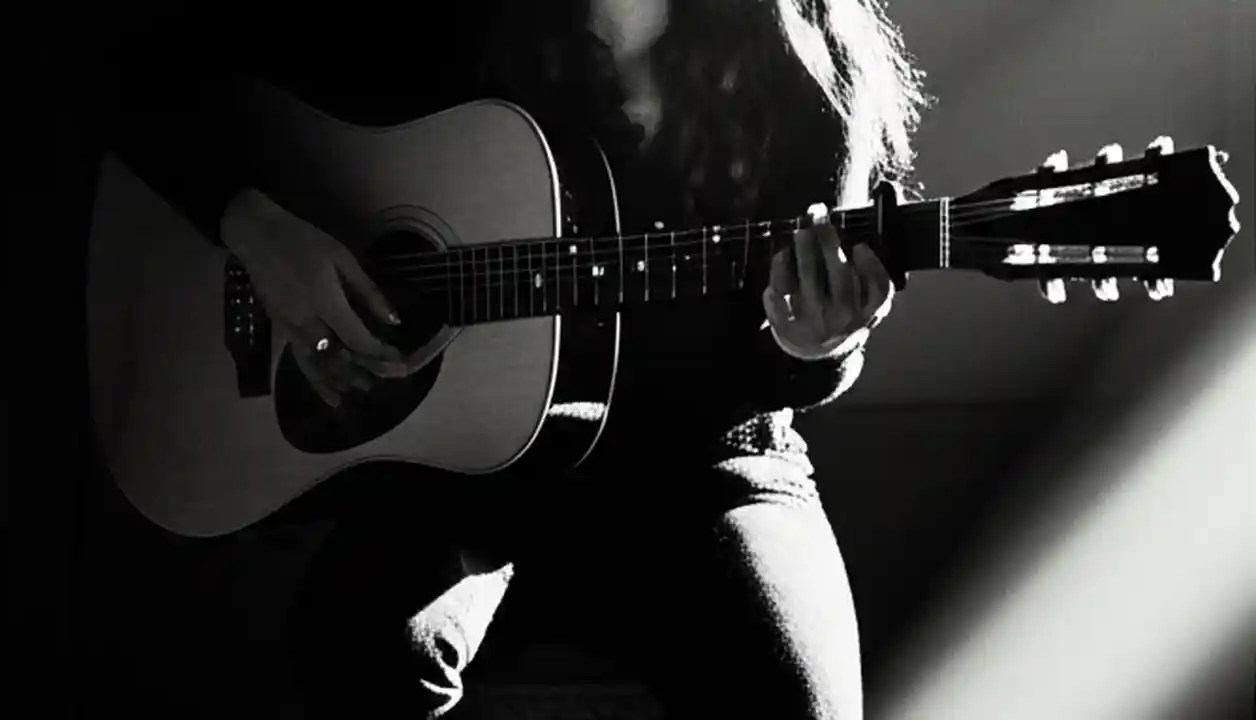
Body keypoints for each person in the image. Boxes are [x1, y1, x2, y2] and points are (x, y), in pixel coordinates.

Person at [64, 0, 927, 717]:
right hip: (467, 468)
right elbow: (138, 73)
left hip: (707, 464)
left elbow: (797, 353)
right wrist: (258, 227)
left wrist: (817, 345)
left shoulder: (802, 56)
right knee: (354, 647)